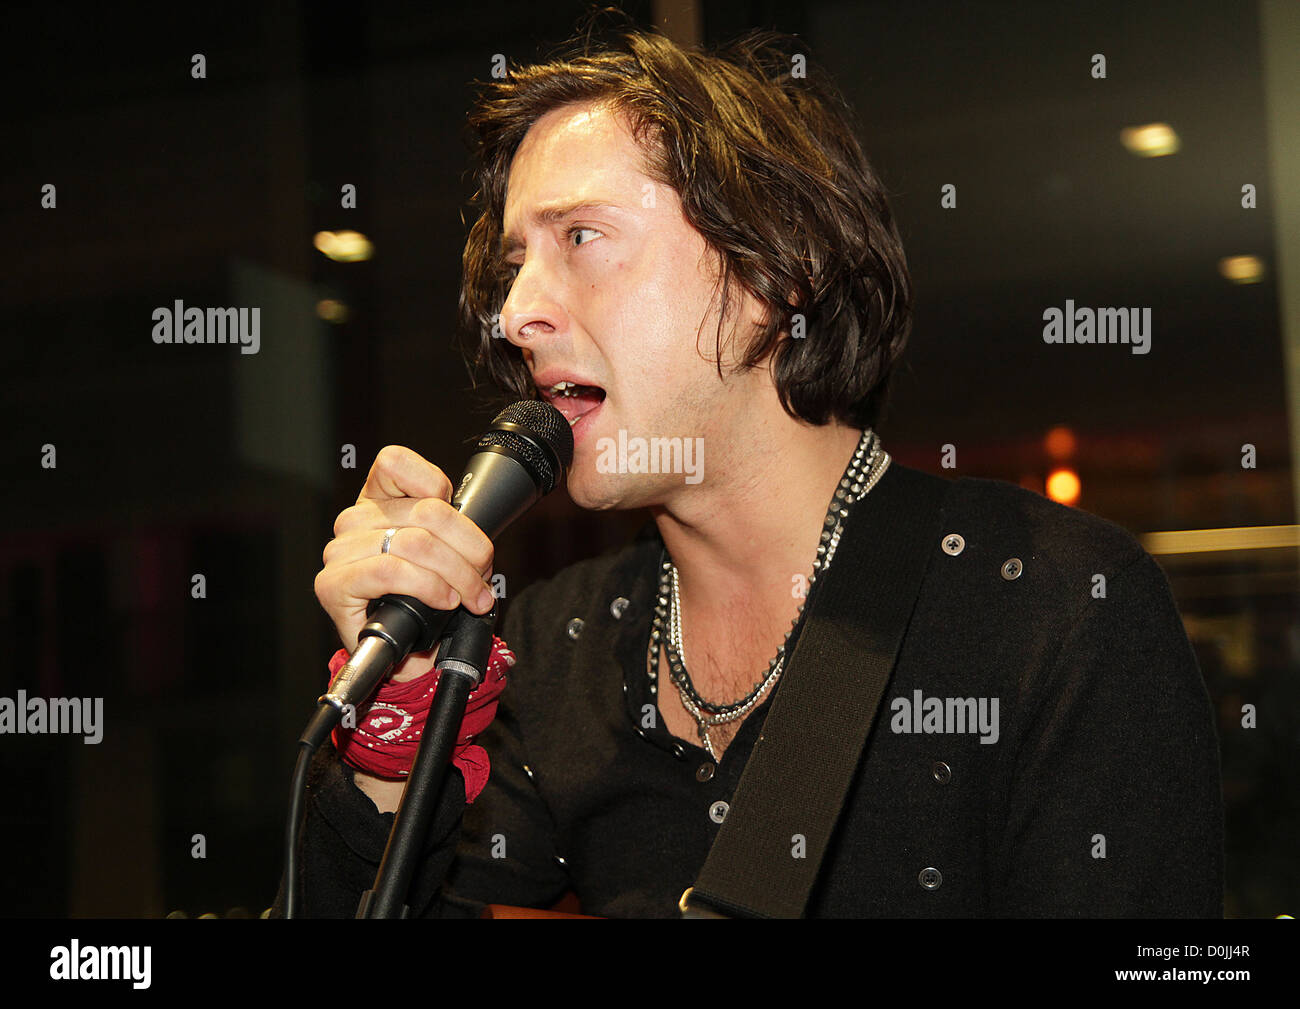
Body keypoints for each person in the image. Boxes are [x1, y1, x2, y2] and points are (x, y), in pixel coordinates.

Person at [275, 23, 1223, 918]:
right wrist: (394, 736)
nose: (517, 310)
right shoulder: (551, 647)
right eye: (517, 261)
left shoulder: (1053, 608)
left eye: (582, 238)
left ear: (778, 269)